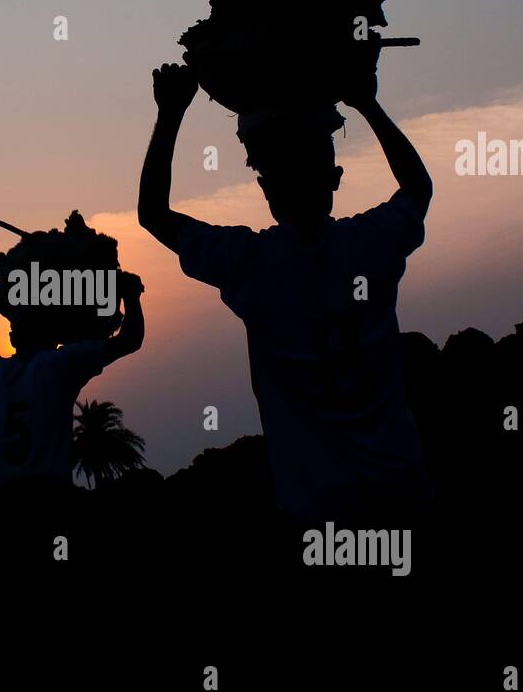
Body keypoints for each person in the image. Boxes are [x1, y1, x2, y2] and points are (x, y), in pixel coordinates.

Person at [138, 60, 432, 524]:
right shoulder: (371, 244)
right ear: (335, 179)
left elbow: (154, 213)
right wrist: (367, 104)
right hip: (401, 493)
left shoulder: (250, 264)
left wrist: (172, 111)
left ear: (265, 189)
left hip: (316, 512)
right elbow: (418, 188)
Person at [0, 273, 144, 492]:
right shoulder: (61, 364)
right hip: (49, 496)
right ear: (52, 332)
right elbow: (130, 339)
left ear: (12, 337)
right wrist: (131, 296)